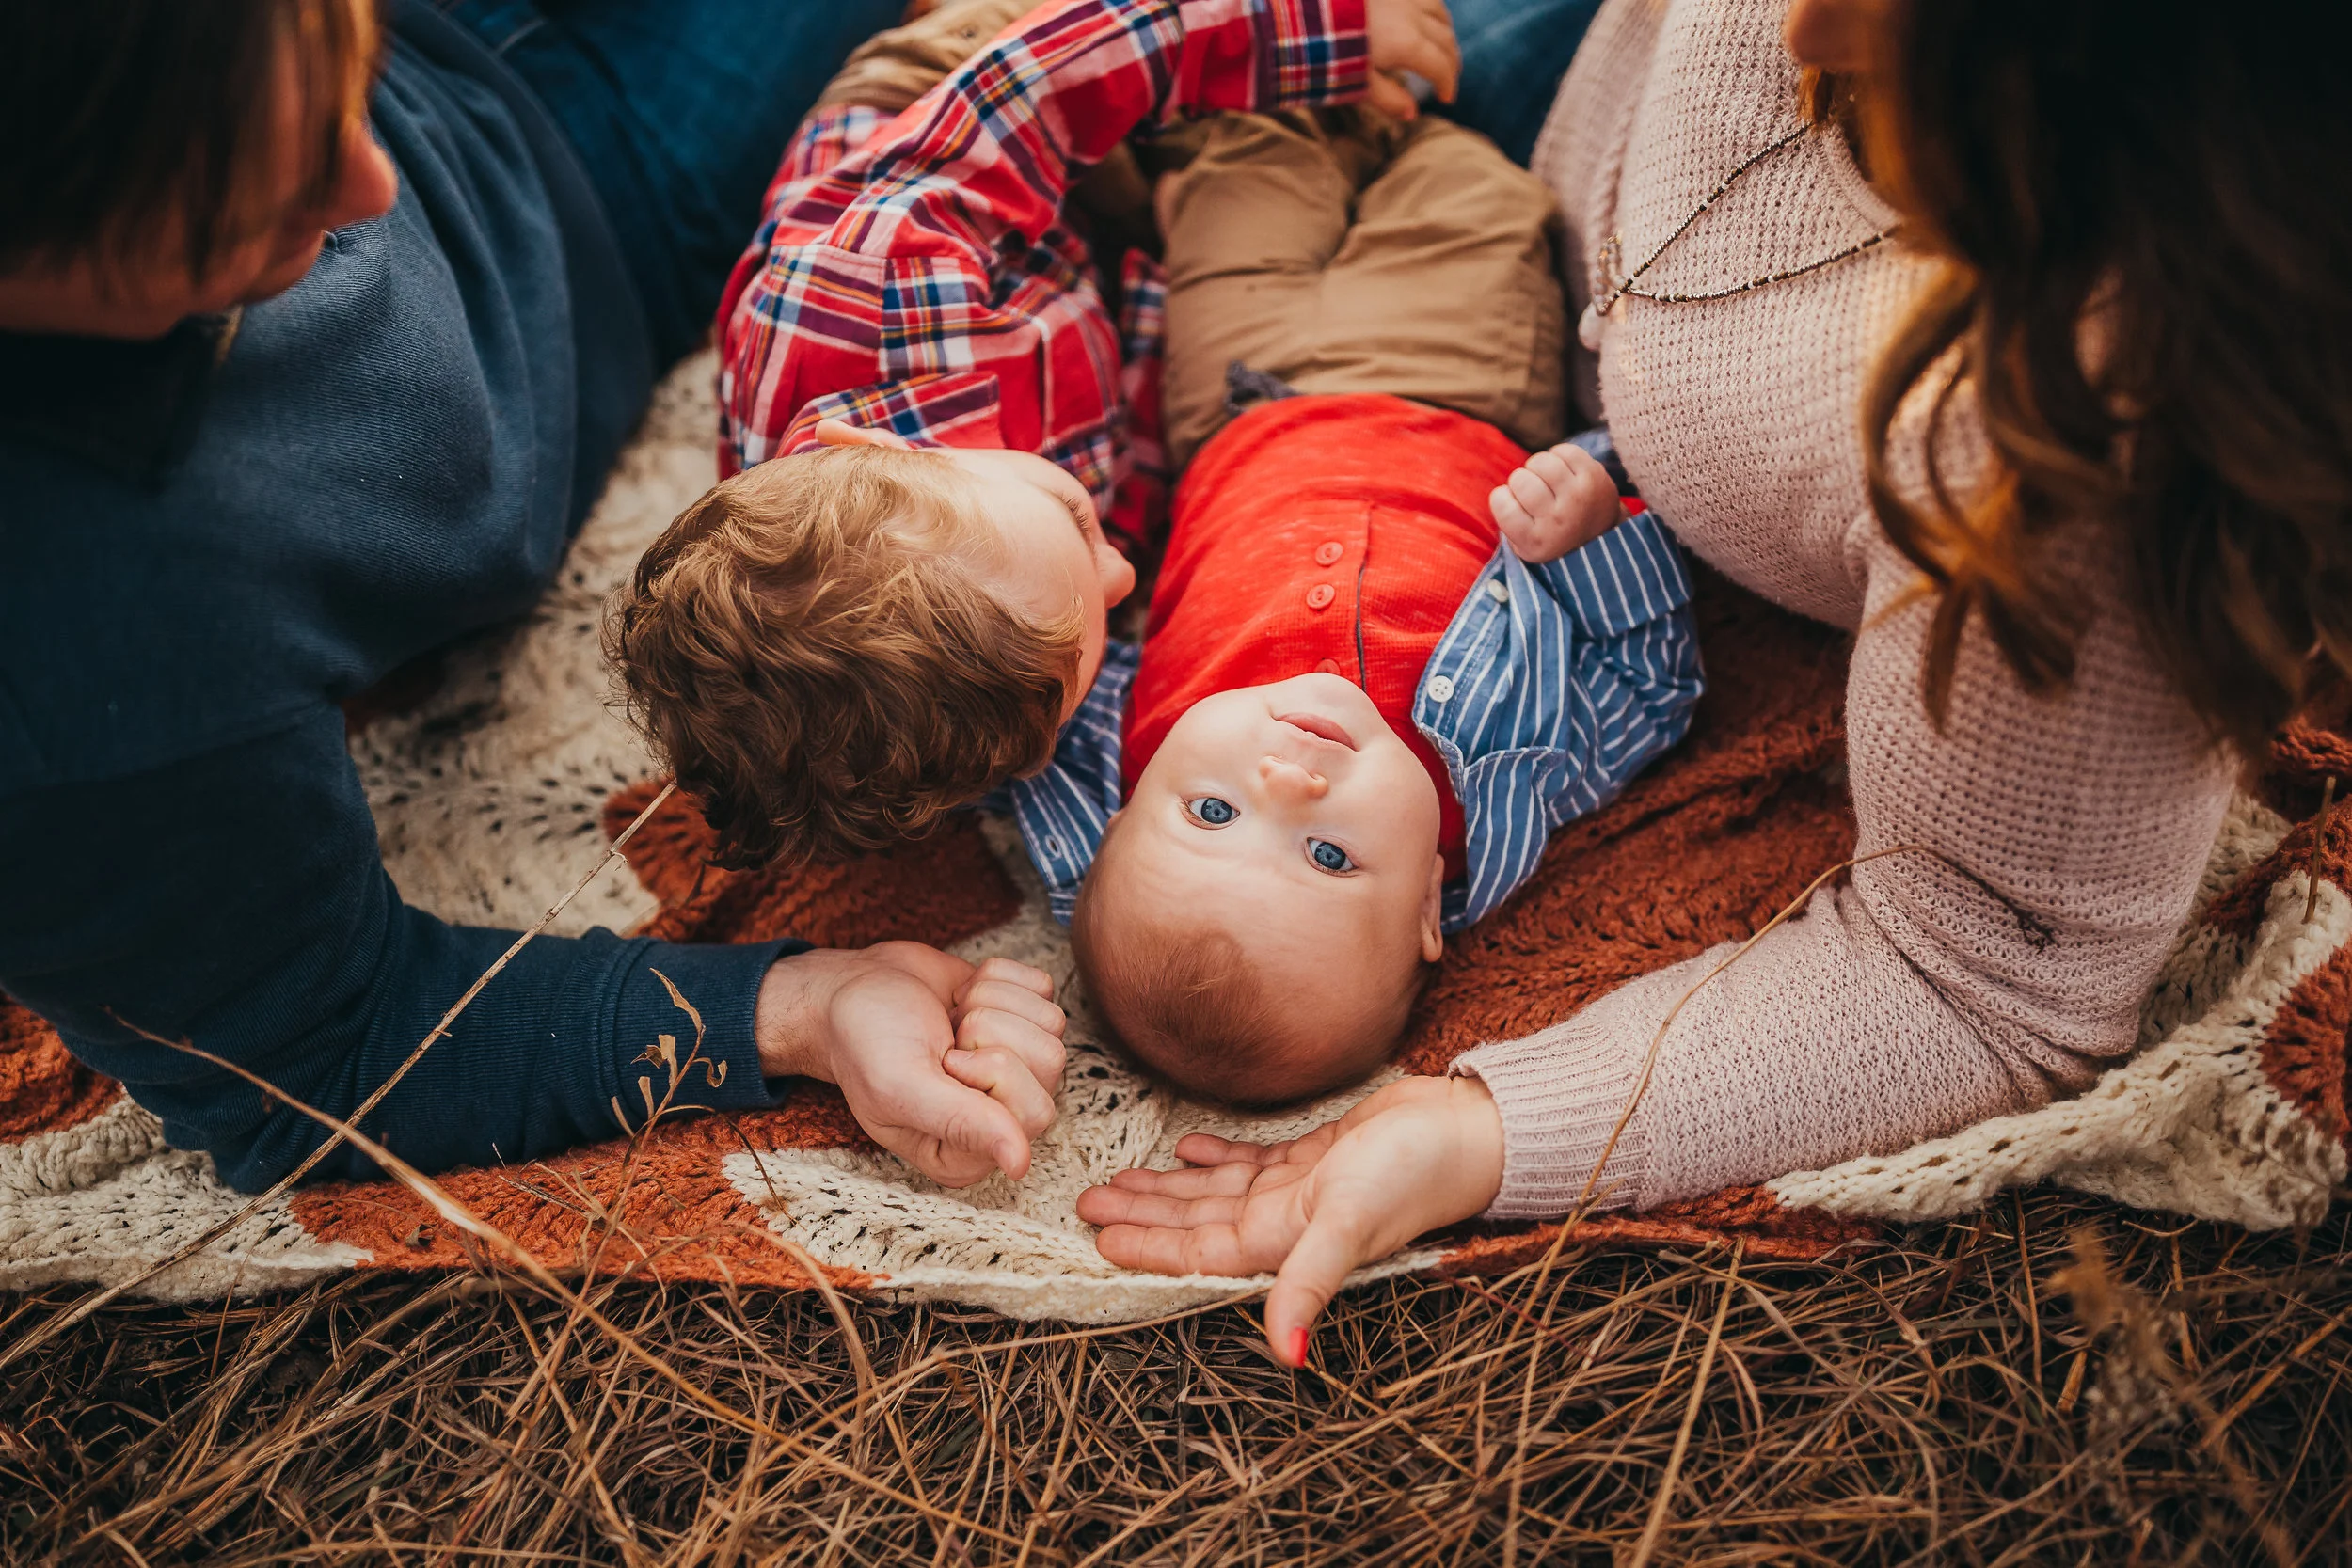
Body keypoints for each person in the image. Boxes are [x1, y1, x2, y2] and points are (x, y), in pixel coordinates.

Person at [1077, 0, 2352, 1367]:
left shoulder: (2092, 470)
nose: (1792, 24)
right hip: (1532, 128)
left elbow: (1980, 971)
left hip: (1441, 333)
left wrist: (1478, 1130)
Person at [0, 0, 1074, 1194]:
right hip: (592, 207)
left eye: (336, 85)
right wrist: (800, 1006)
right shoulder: (74, 668)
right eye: (248, 205)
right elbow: (329, 1049)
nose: (370, 188)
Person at [615, 87, 1703, 1105]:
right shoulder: (1522, 779)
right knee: (1466, 184)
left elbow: (920, 717)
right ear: (1426, 900)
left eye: (1215, 811)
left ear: (1121, 816)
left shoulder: (1106, 747)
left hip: (1234, 389)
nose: (1285, 779)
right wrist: (1588, 534)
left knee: (1254, 154)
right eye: (1328, 856)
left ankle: (1309, 78)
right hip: (1455, 379)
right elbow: (1652, 675)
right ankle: (1400, 103)